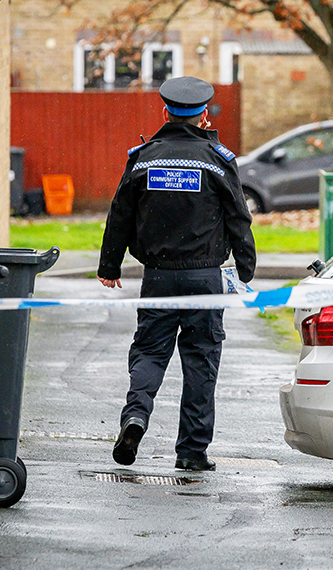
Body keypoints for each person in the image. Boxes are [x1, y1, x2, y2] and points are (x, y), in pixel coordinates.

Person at [97, 76, 257, 472]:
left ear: (165, 112)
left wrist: (109, 266)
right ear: (203, 116)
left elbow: (120, 213)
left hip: (158, 277)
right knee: (201, 360)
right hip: (205, 278)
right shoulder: (218, 160)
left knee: (150, 352)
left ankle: (136, 416)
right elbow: (238, 217)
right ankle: (191, 452)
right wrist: (246, 268)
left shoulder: (143, 158)